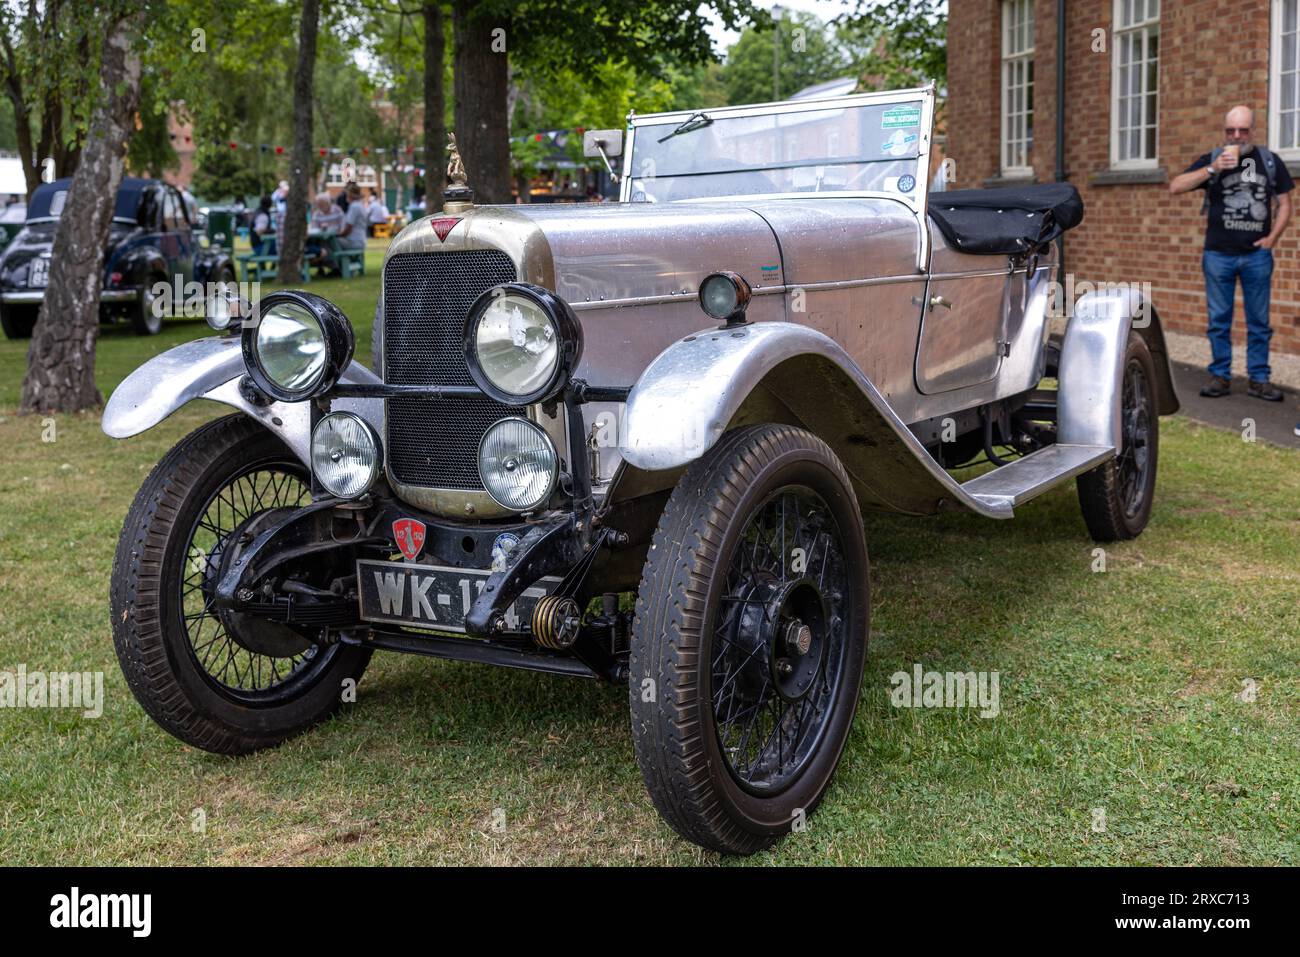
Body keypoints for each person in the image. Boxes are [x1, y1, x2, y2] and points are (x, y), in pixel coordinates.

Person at [1170, 105, 1293, 401]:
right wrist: (1213, 169)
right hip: (1218, 255)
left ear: (1253, 130)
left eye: (1243, 130)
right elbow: (1175, 186)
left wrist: (1272, 239)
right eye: (1230, 131)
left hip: (1256, 256)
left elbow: (1285, 204)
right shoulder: (1213, 159)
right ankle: (1220, 377)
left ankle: (1259, 379)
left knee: (1259, 321)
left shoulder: (1269, 161)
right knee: (1219, 320)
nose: (1236, 137)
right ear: (1224, 132)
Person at [306, 192, 344, 271]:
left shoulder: (337, 210)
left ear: (328, 203)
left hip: (337, 236)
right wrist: (321, 228)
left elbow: (342, 226)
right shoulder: (317, 213)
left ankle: (336, 267)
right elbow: (314, 228)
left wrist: (331, 228)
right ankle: (335, 267)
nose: (320, 206)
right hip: (321, 237)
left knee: (327, 244)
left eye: (322, 204)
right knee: (319, 244)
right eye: (318, 204)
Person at [337, 182, 368, 251]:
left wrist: (339, 235)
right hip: (360, 240)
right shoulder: (359, 205)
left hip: (354, 241)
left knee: (332, 242)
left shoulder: (354, 207)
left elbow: (349, 227)